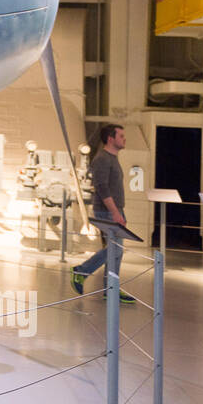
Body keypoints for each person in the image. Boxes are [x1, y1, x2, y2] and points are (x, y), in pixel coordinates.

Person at [71, 123, 135, 304]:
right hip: (107, 211)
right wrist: (115, 212)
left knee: (116, 251)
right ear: (110, 138)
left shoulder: (112, 158)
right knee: (115, 249)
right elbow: (102, 188)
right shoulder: (102, 159)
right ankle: (82, 271)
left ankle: (111, 288)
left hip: (114, 210)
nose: (124, 139)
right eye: (121, 136)